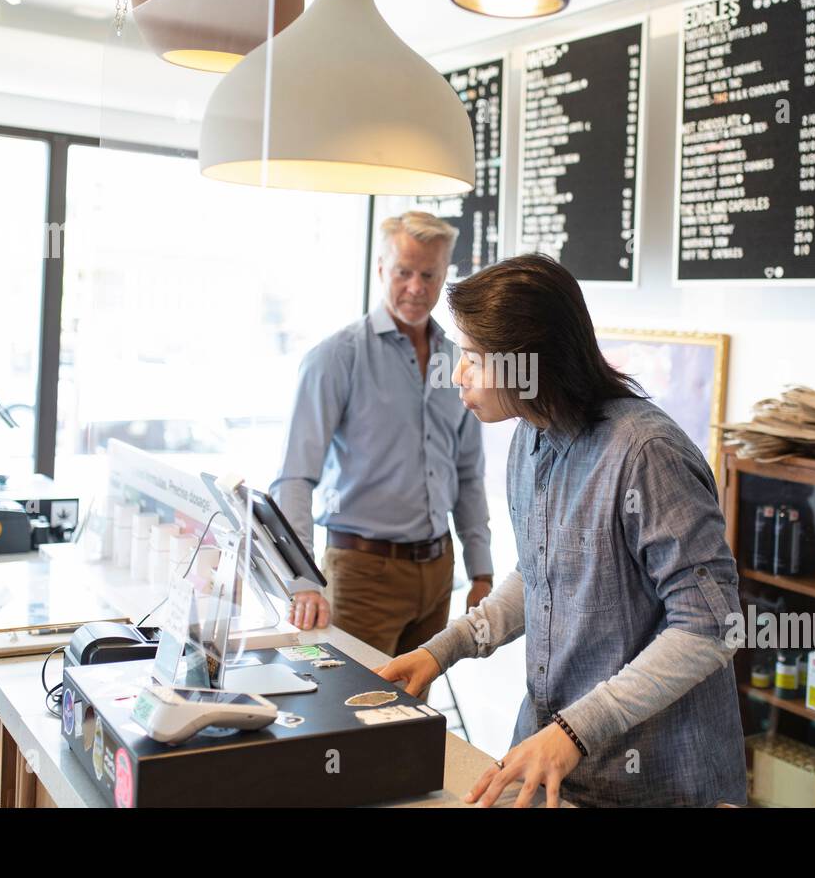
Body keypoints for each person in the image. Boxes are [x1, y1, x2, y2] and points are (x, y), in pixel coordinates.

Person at [376, 254, 747, 808]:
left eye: (474, 357)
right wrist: (443, 650)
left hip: (658, 782)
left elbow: (711, 626)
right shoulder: (529, 439)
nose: (458, 374)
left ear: (530, 363)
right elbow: (540, 574)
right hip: (554, 762)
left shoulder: (646, 453)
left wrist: (576, 731)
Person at [269, 211, 493, 659]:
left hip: (438, 572)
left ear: (444, 274)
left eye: (428, 274)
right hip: (362, 574)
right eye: (403, 272)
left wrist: (481, 570)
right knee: (355, 717)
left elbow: (468, 473)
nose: (416, 286)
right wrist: (302, 579)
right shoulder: (336, 357)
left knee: (409, 718)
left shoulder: (458, 360)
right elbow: (294, 477)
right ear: (380, 270)